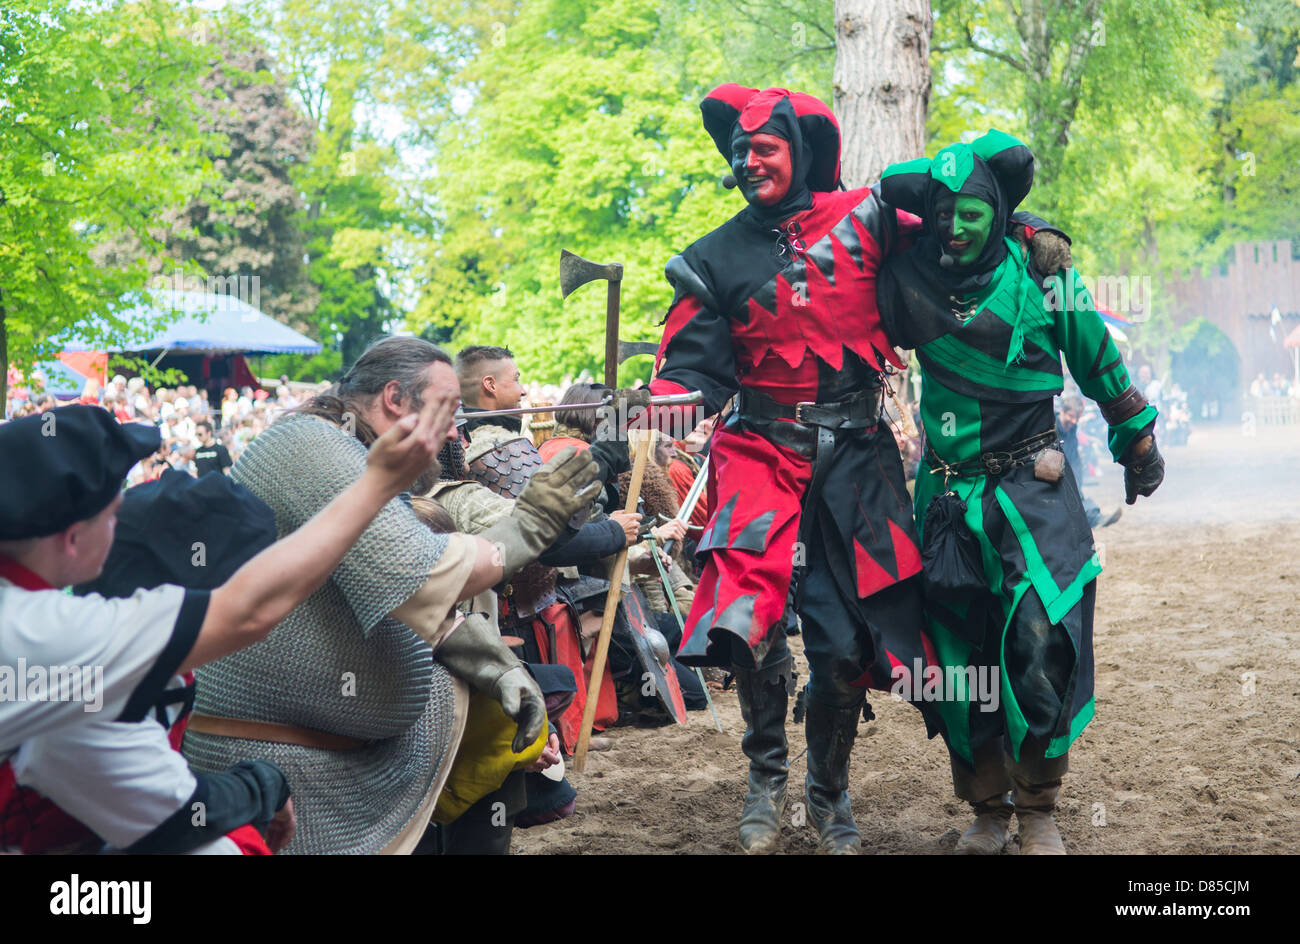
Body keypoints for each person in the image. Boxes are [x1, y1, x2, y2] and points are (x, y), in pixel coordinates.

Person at [640, 85, 1072, 855]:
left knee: (846, 649)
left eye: (763, 149)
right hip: (760, 458)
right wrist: (647, 417)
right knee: (753, 628)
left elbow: (959, 220)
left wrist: (1031, 227)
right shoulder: (711, 258)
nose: (748, 161)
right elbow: (689, 376)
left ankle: (829, 793)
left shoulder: (868, 217)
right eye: (739, 152)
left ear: (799, 152)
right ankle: (766, 781)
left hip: (860, 462)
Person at [183, 336, 601, 854]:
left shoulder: (344, 453)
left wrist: (492, 664)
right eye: (446, 410)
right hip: (285, 761)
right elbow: (420, 576)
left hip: (328, 753)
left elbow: (379, 586)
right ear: (395, 399)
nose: (455, 427)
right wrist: (529, 526)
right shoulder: (314, 447)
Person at [876, 129, 1164, 854]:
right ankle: (987, 809)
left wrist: (1138, 440)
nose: (954, 222)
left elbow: (1096, 355)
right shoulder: (903, 280)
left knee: (1042, 637)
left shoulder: (1044, 271)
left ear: (998, 209)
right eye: (942, 209)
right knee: (959, 654)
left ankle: (1039, 806)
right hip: (945, 502)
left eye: (971, 209)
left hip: (1035, 493)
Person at [0, 396, 459, 756]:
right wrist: (376, 485)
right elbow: (247, 612)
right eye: (112, 513)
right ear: (72, 539)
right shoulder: (54, 634)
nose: (119, 522)